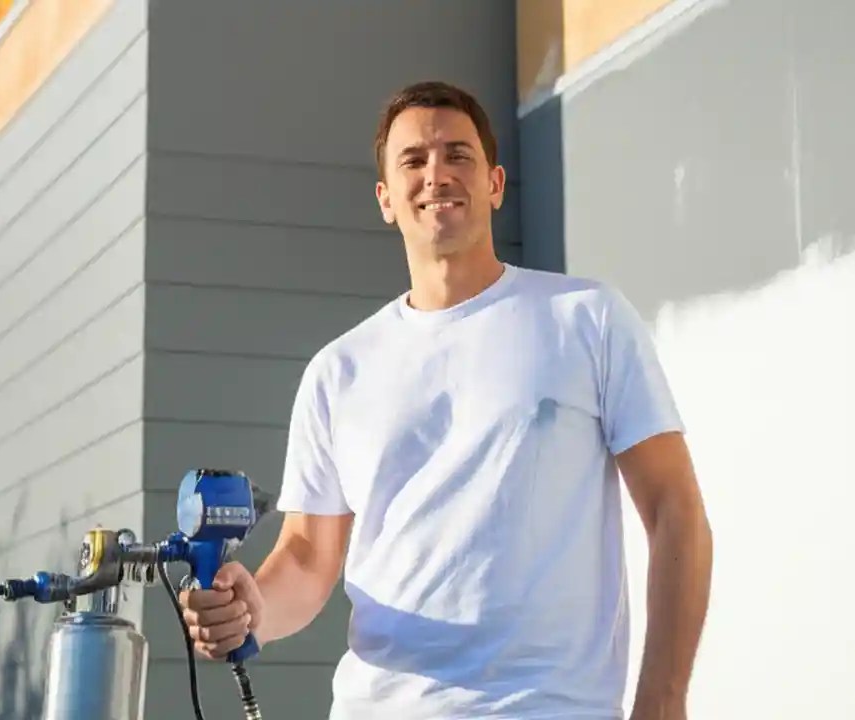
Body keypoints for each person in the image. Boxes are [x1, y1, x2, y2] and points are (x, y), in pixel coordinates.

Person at [180, 80, 713, 720]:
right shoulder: (338, 371)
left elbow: (675, 509)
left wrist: (663, 699)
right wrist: (252, 609)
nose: (436, 173)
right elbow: (308, 558)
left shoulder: (587, 320)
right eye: (413, 160)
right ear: (385, 198)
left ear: (494, 183)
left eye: (458, 154)